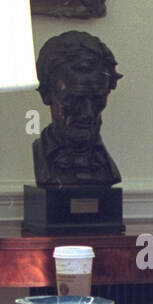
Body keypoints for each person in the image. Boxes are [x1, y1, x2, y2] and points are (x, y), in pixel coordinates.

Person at [32, 30, 123, 187]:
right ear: (46, 94)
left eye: (97, 99)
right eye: (74, 100)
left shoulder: (107, 167)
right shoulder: (42, 157)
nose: (87, 113)